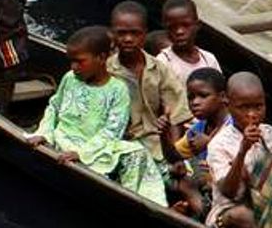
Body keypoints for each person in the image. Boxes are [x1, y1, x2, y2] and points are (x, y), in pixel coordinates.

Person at [27, 25, 167, 205]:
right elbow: (54, 107)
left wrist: (82, 153)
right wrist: (44, 133)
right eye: (72, 61)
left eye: (80, 61)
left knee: (138, 153)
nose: (74, 67)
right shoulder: (70, 78)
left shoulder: (118, 90)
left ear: (101, 58)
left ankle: (133, 200)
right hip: (63, 137)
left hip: (96, 145)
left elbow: (112, 130)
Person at [106, 1, 194, 206]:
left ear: (144, 34)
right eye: (121, 33)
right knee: (138, 181)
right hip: (123, 145)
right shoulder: (106, 71)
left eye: (134, 33)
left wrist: (175, 155)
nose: (128, 39)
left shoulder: (160, 69)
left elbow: (176, 116)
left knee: (188, 180)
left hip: (158, 144)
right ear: (113, 34)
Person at [205, 71, 272, 228]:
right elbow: (229, 193)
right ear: (228, 105)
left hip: (269, 207)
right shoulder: (219, 144)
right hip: (231, 212)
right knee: (242, 216)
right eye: (243, 108)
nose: (252, 115)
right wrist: (243, 150)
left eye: (258, 107)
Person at [173, 67, 230, 219]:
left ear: (223, 97)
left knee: (188, 181)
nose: (195, 102)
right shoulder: (198, 128)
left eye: (203, 96)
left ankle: (199, 212)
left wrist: (209, 143)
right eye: (191, 97)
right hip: (203, 184)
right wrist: (164, 134)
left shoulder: (233, 126)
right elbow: (176, 155)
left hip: (225, 187)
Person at [155, 0, 222, 83]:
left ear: (197, 25)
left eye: (186, 25)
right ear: (166, 30)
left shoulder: (209, 60)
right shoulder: (163, 62)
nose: (179, 32)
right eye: (172, 27)